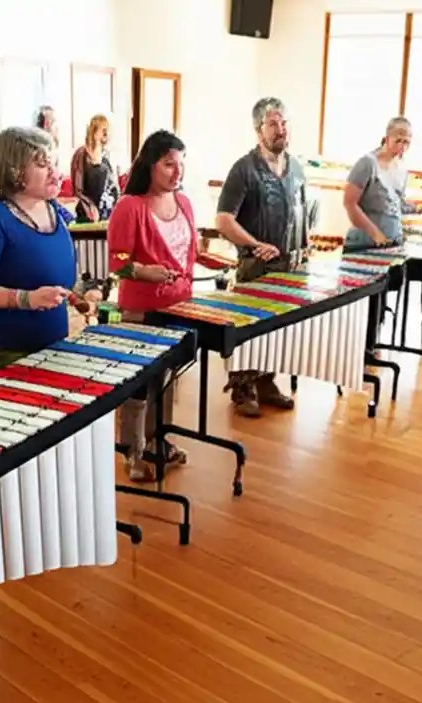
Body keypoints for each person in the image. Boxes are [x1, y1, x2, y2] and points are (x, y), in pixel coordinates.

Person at [0, 127, 84, 377]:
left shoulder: (53, 211)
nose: (55, 173)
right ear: (14, 171)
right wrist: (27, 299)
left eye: (54, 163)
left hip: (51, 342)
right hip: (1, 350)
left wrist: (80, 296)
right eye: (42, 164)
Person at [108, 130, 200, 480]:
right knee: (140, 384)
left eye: (180, 164)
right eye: (168, 165)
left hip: (180, 307)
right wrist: (146, 272)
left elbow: (187, 253)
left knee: (167, 381)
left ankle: (159, 441)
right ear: (150, 165)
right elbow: (118, 262)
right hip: (141, 310)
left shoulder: (186, 203)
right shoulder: (129, 207)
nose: (177, 172)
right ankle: (133, 452)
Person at [215, 97, 313, 416]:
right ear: (259, 130)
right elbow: (224, 220)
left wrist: (306, 243)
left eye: (284, 123)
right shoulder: (243, 169)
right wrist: (255, 243)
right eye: (273, 124)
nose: (281, 129)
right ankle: (243, 388)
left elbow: (302, 210)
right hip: (255, 268)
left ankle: (267, 380)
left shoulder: (296, 166)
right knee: (248, 330)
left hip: (290, 268)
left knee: (279, 331)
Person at [343, 117, 413, 250]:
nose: (402, 146)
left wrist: (421, 209)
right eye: (398, 140)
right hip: (364, 243)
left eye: (406, 142)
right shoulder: (368, 163)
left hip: (392, 242)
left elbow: (396, 204)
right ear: (386, 139)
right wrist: (374, 233)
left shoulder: (403, 168)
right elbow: (349, 203)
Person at [70, 114, 120, 222]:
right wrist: (89, 206)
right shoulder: (81, 154)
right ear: (94, 131)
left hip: (108, 211)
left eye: (107, 130)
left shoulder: (107, 155)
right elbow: (78, 189)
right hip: (88, 211)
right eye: (103, 130)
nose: (106, 133)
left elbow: (114, 186)